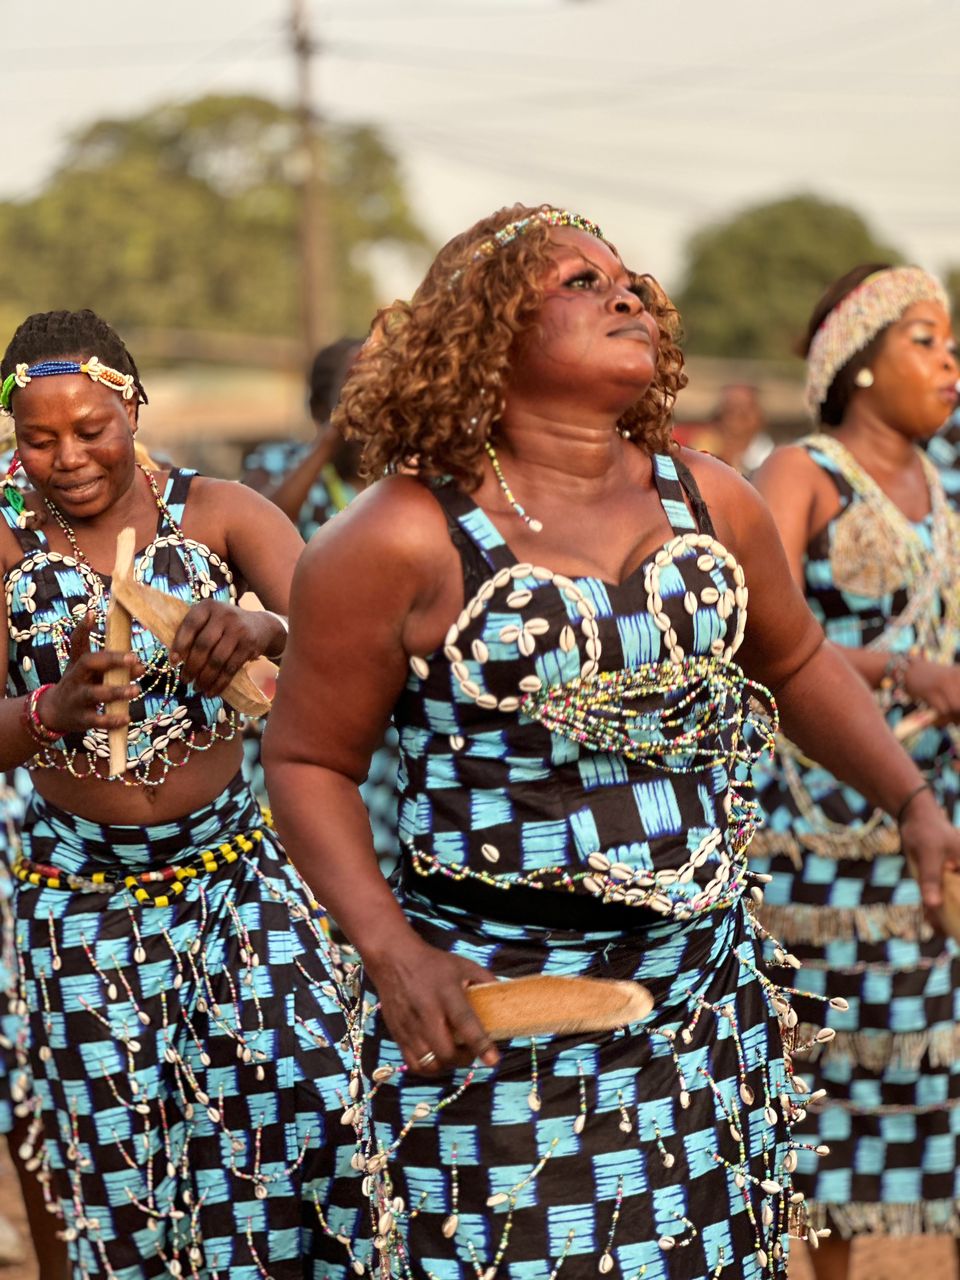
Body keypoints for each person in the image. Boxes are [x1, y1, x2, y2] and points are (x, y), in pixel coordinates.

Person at [263, 205, 960, 1279]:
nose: (625, 292)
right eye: (580, 284)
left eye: (626, 276)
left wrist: (913, 800)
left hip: (700, 999)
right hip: (501, 1007)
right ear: (486, 334)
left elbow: (803, 663)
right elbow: (310, 759)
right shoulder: (400, 535)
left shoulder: (711, 500)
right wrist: (392, 948)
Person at [0, 309, 352, 1278]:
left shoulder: (223, 511)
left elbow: (337, 626)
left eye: (89, 429)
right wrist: (51, 704)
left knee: (303, 1116)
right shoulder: (3, 536)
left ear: (134, 409)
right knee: (113, 1167)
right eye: (37, 437)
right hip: (77, 901)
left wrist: (261, 628)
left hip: (235, 878)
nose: (64, 456)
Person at [749, 264, 960, 1279]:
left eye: (950, 339)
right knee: (832, 1060)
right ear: (860, 365)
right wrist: (900, 667)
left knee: (935, 1056)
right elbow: (762, 628)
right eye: (924, 338)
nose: (949, 359)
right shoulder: (803, 474)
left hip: (942, 801)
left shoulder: (952, 478)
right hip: (820, 821)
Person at [241, 338, 399, 865]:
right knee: (299, 843)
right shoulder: (282, 463)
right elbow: (259, 520)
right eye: (352, 394)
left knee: (379, 845)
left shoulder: (407, 482)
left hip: (385, 706)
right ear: (319, 407)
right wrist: (331, 438)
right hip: (294, 695)